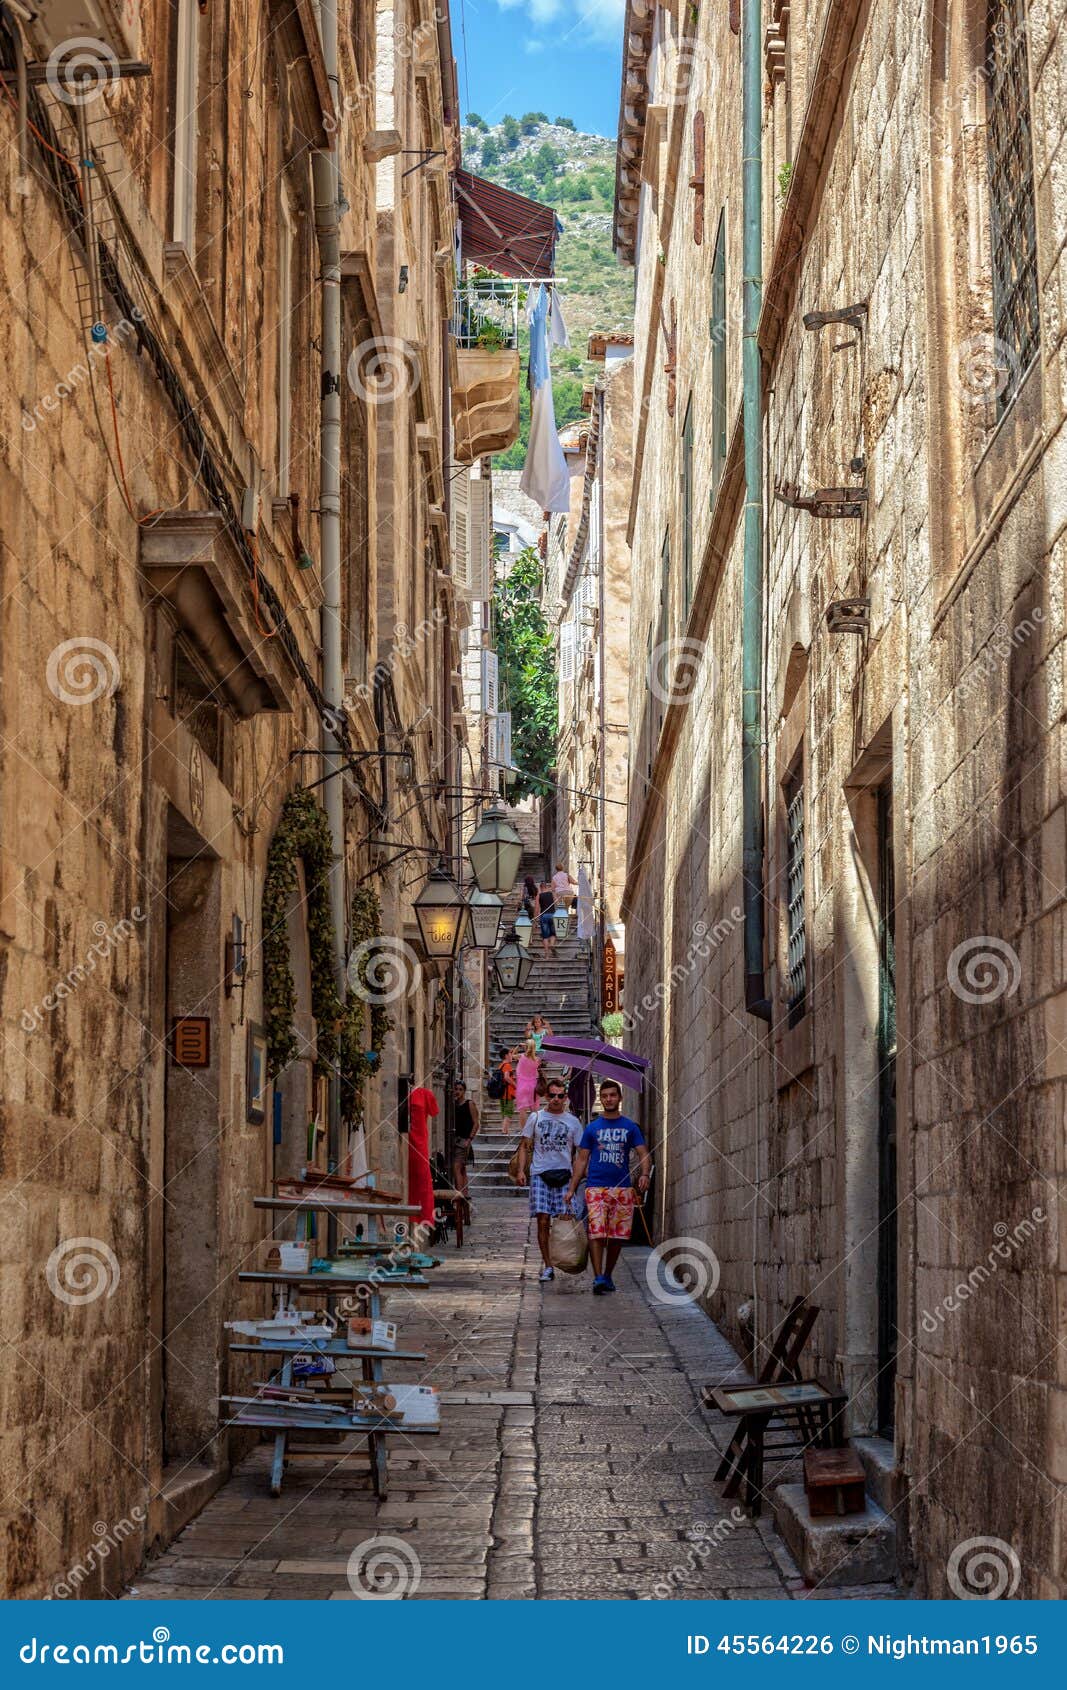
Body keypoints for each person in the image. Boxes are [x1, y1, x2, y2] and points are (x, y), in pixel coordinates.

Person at [564, 1079, 650, 1295]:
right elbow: (582, 1160)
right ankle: (598, 1277)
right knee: (597, 1233)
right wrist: (572, 1188)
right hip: (596, 1187)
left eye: (612, 1095)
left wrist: (646, 1174)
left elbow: (643, 1153)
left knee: (617, 1236)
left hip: (622, 1189)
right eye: (604, 1096)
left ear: (619, 1098)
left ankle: (609, 1274)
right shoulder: (592, 1128)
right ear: (600, 1100)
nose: (608, 1099)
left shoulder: (630, 1127)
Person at [516, 1079, 584, 1282]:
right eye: (552, 1095)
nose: (556, 1099)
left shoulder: (573, 1121)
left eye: (560, 1095)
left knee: (565, 1220)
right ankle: (547, 1265)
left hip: (564, 1175)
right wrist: (521, 1170)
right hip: (540, 1174)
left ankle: (564, 1256)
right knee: (543, 1220)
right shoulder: (536, 1117)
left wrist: (581, 1175)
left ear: (566, 1097)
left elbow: (582, 1152)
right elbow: (524, 1145)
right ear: (546, 1096)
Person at [406, 1084, 439, 1231]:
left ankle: (422, 1217)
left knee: (422, 1179)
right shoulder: (418, 1093)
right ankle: (416, 1217)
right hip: (409, 1140)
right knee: (416, 1180)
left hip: (419, 1142)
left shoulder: (424, 1093)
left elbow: (434, 1111)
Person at [452, 1080, 480, 1203]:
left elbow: (476, 1123)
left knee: (457, 1167)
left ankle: (460, 1196)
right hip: (455, 1140)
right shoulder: (453, 1104)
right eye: (456, 1089)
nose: (457, 1091)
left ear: (464, 1091)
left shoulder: (469, 1104)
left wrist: (469, 1139)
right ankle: (465, 1194)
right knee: (461, 1169)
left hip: (464, 1140)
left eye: (460, 1089)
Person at [514, 1040, 541, 1115]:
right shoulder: (537, 1060)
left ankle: (524, 1127)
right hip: (533, 1085)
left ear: (526, 1046)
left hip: (522, 1086)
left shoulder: (521, 1056)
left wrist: (518, 1046)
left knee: (522, 1110)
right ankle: (534, 1126)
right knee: (534, 1110)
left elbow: (512, 1055)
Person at [537, 881, 558, 955]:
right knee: (553, 933)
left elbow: (538, 908)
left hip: (544, 916)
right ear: (546, 886)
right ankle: (552, 944)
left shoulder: (539, 895)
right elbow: (556, 902)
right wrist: (553, 891)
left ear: (540, 887)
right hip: (552, 915)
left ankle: (546, 955)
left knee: (545, 936)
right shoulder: (551, 893)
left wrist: (537, 918)